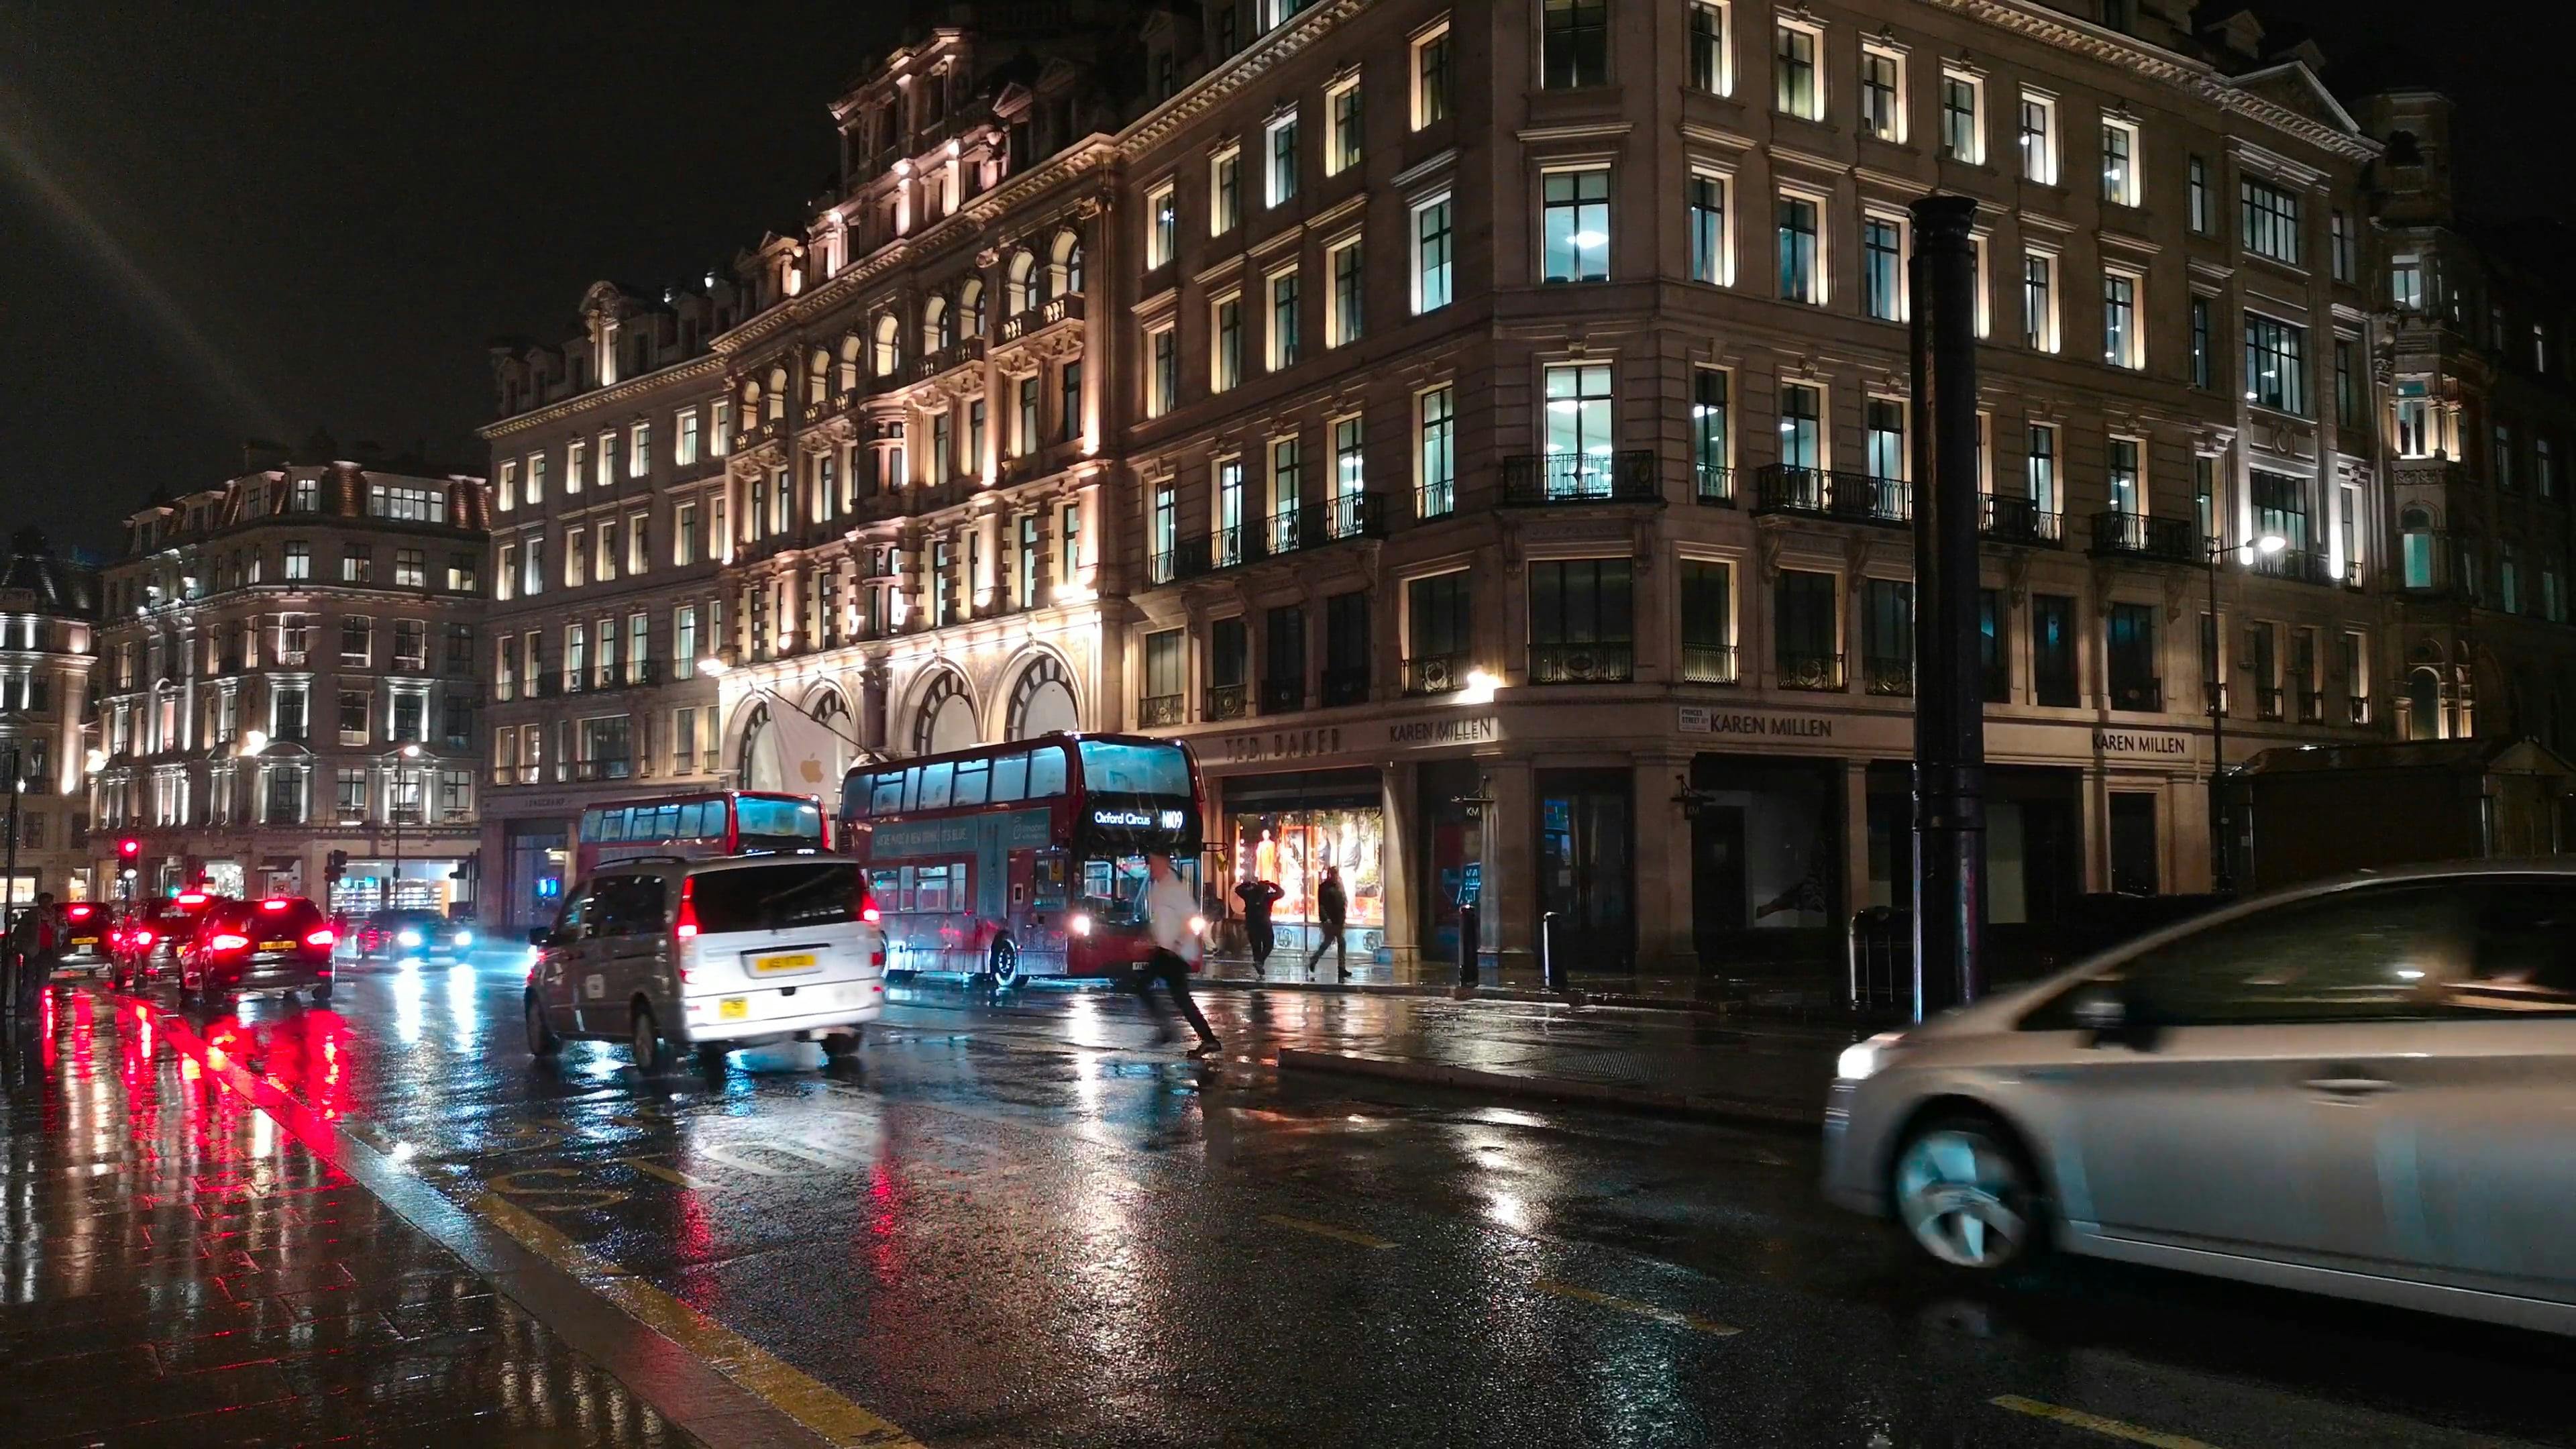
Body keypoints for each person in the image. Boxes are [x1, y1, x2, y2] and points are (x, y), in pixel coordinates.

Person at [1132, 850, 1219, 1055]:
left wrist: (1178, 944)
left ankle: (1183, 1033)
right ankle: (1176, 1032)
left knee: (1174, 996)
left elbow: (1192, 918)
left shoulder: (1175, 888)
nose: (1150, 867)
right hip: (1165, 951)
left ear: (1164, 863)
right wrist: (1149, 940)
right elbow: (1161, 920)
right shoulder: (1157, 886)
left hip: (1176, 953)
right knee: (1156, 990)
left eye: (1153, 862)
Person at [1304, 866, 1348, 981]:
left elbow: (1343, 900)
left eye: (1336, 874)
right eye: (1333, 874)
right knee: (1334, 943)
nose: (1335, 876)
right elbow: (1322, 905)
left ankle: (1339, 967)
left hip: (1339, 920)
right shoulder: (1325, 888)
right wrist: (1326, 919)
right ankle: (1338, 967)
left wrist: (1344, 915)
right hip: (1331, 921)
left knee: (1335, 943)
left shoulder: (1339, 885)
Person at [1234, 876, 1283, 976]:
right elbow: (1281, 893)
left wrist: (1247, 884)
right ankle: (1260, 962)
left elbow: (1237, 890)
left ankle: (1259, 963)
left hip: (1251, 924)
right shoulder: (1268, 897)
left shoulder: (1248, 895)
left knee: (1256, 947)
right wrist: (1271, 884)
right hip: (1265, 924)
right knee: (1269, 945)